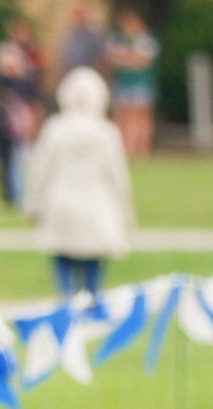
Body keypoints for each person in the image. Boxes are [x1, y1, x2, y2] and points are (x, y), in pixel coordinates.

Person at [26, 66, 134, 302]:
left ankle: (66, 301)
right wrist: (126, 214)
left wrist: (33, 206)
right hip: (98, 203)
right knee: (93, 257)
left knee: (63, 256)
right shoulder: (107, 132)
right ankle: (91, 300)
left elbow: (40, 172)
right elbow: (118, 178)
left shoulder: (54, 129)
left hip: (61, 201)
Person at [0, 40, 37, 209]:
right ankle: (8, 194)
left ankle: (17, 195)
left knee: (17, 160)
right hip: (1, 125)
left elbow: (30, 102)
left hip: (16, 127)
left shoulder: (24, 80)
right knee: (2, 160)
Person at [106, 8, 159, 160]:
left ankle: (141, 150)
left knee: (140, 117)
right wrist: (129, 58)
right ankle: (124, 149)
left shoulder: (145, 40)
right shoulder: (118, 39)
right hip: (122, 84)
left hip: (141, 85)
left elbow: (142, 61)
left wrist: (126, 59)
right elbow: (113, 59)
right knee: (121, 117)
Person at [57, 2, 107, 83]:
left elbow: (100, 57)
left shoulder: (93, 36)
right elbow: (65, 57)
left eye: (81, 16)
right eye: (76, 16)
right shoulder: (69, 36)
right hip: (71, 74)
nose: (78, 19)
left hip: (88, 75)